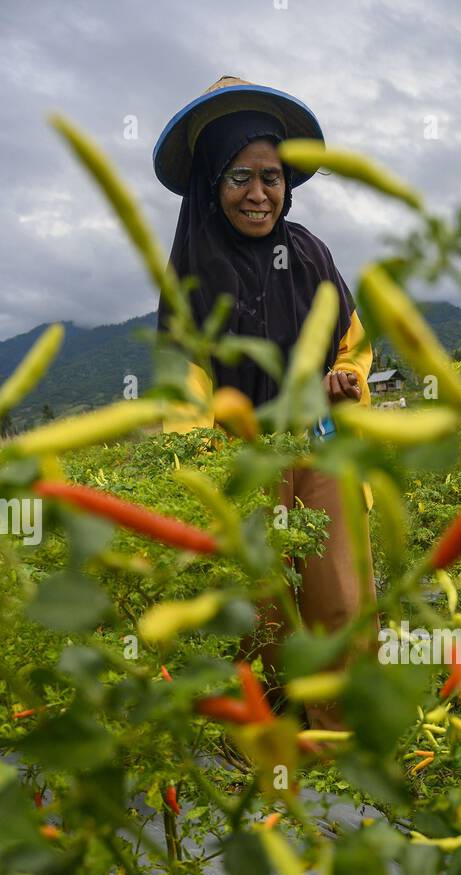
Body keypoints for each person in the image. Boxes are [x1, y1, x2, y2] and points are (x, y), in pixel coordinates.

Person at [152, 76, 378, 728]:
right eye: (239, 177)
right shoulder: (192, 272)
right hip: (241, 461)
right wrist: (201, 464)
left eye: (272, 177)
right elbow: (181, 380)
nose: (259, 193)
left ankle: (345, 742)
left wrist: (346, 379)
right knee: (264, 609)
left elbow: (353, 344)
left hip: (322, 448)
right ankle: (275, 749)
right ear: (210, 184)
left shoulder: (309, 253)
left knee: (341, 594)